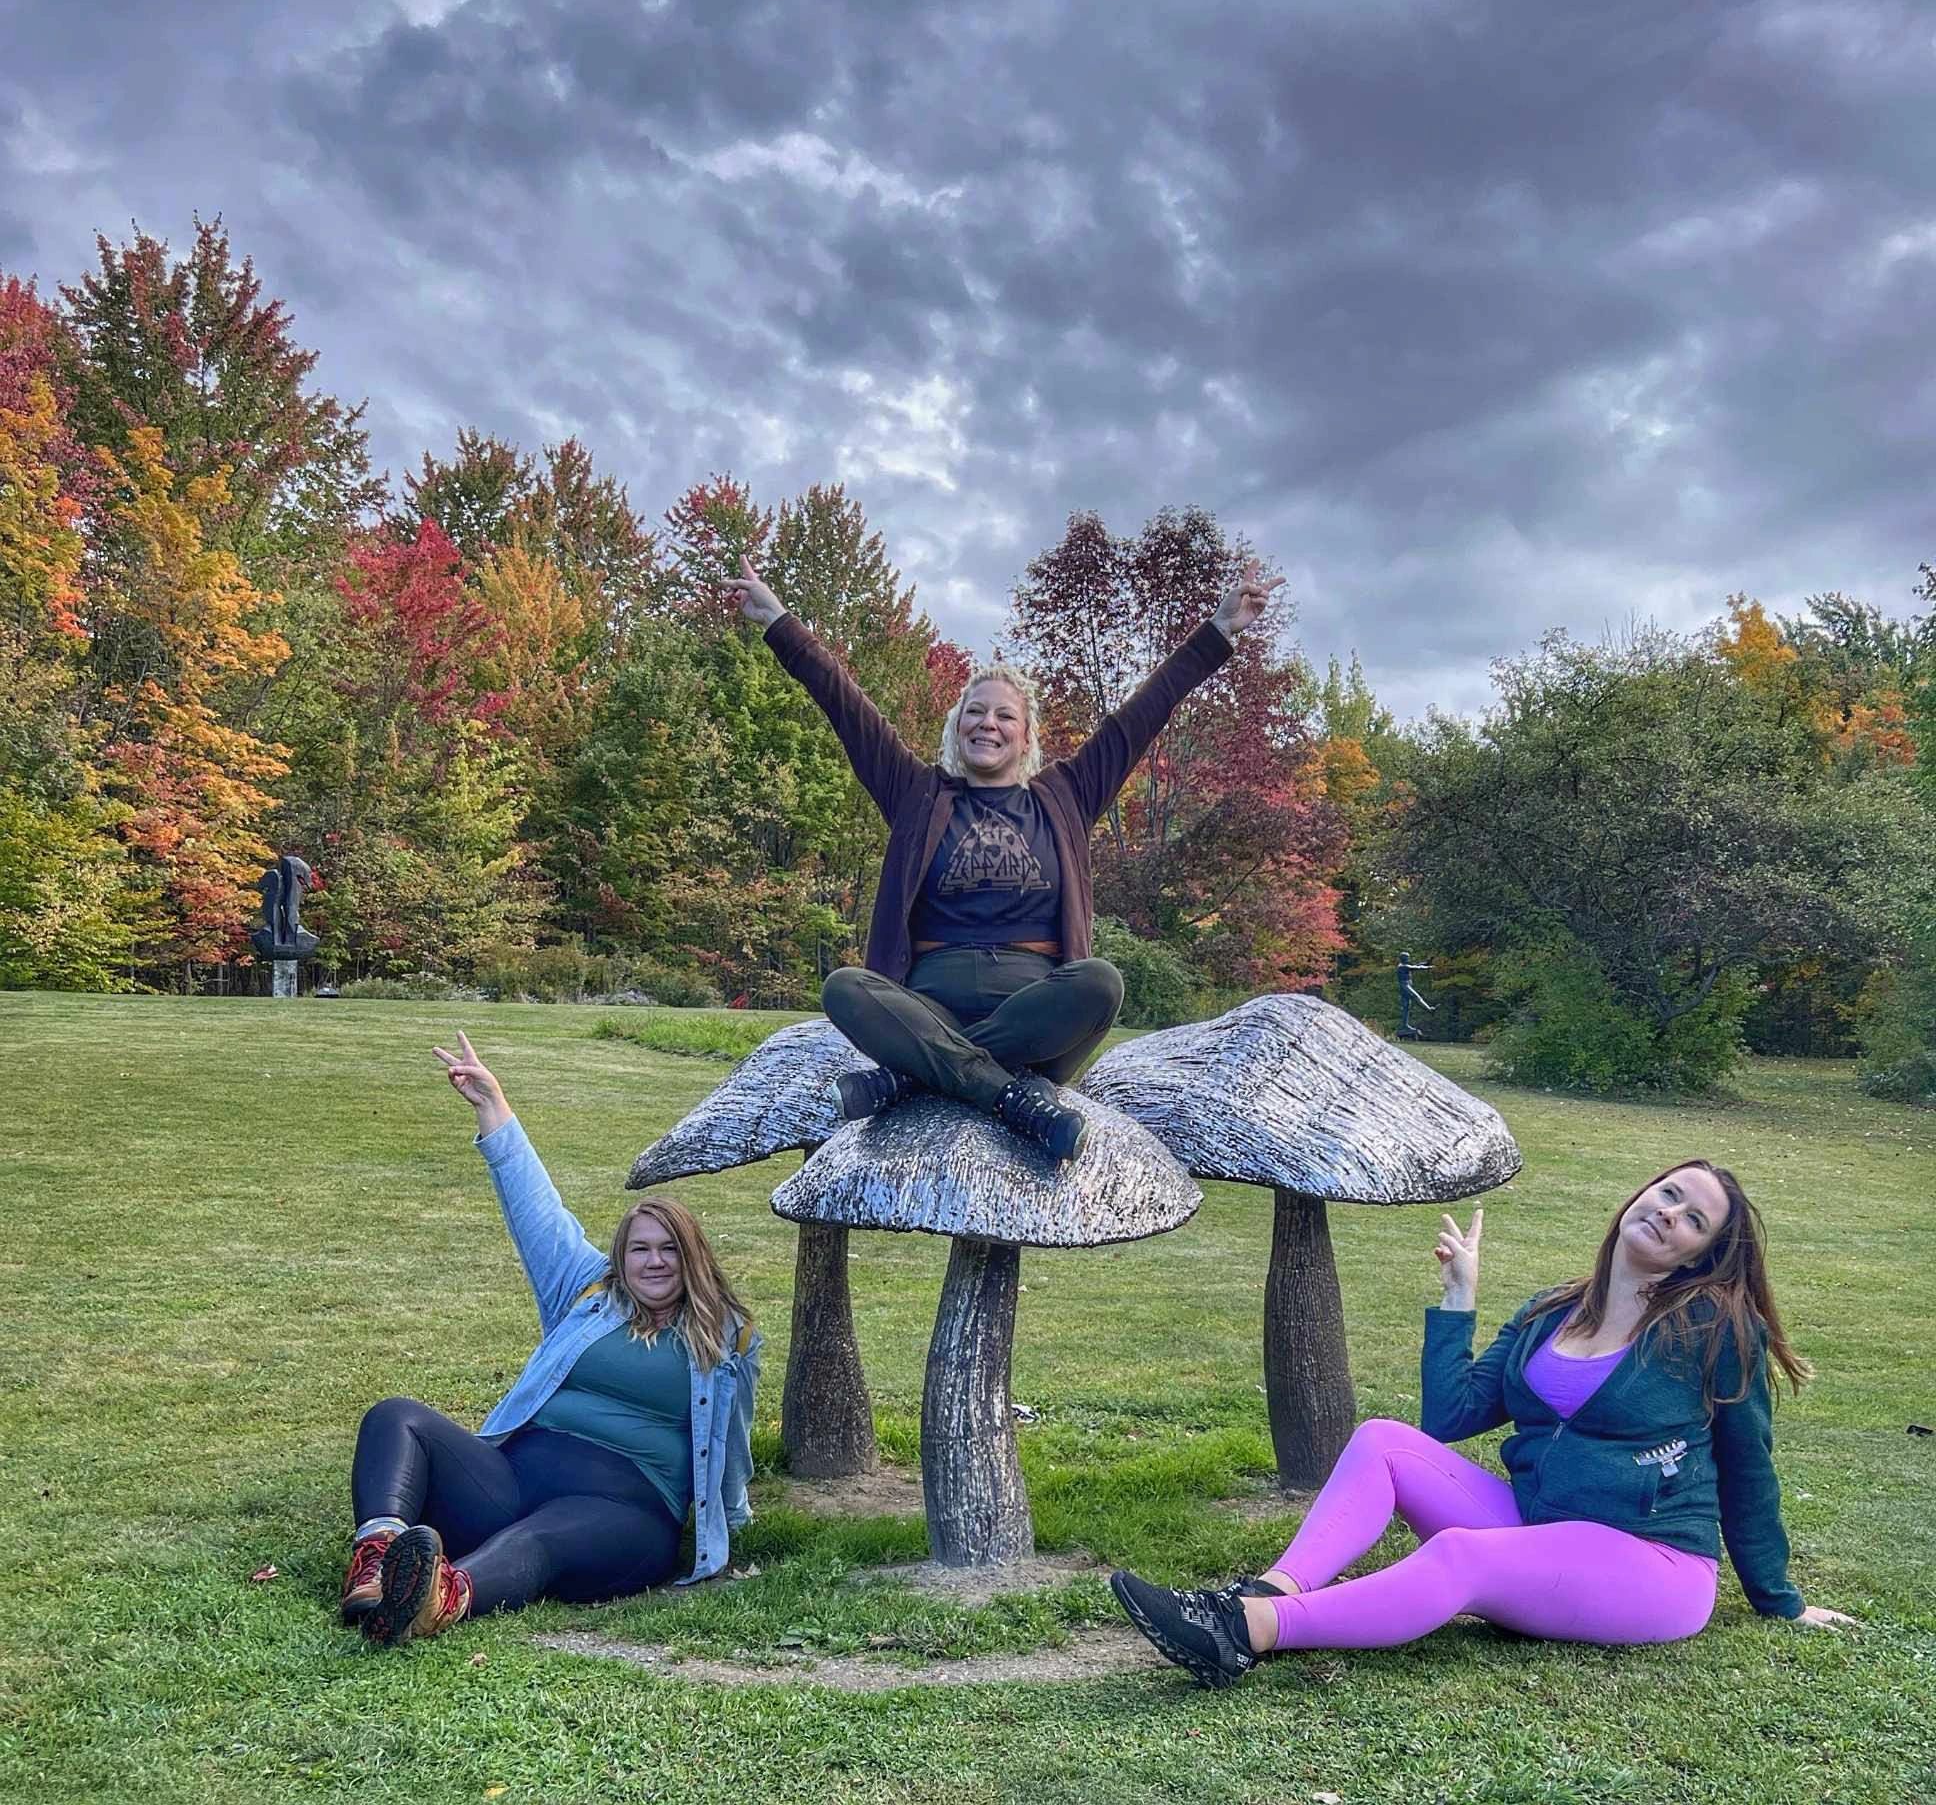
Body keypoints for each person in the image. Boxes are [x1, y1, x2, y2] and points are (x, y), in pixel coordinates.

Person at [1110, 1160, 1857, 1688]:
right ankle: (1270, 1590)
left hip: (1652, 1565)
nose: (1670, 1213)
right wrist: (1459, 1295)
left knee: (1464, 1557)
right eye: (1668, 1194)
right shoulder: (1551, 1312)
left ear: (1704, 1253)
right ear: (1639, 1196)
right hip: (1539, 1524)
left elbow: (1749, 1467)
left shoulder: (1714, 1330)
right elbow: (1450, 1417)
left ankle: (1242, 1633)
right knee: (1383, 1440)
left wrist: (1778, 1598)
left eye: (1694, 1218)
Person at [729, 555, 1273, 1163]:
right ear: (957, 725)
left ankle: (912, 1078)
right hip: (926, 1001)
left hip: (1036, 1006)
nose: (987, 723)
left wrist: (1219, 630)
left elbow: (1144, 713)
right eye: (975, 711)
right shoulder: (918, 793)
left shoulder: (1066, 794)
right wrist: (778, 621)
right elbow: (844, 704)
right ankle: (1012, 1098)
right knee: (845, 988)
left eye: (1003, 715)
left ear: (1025, 734)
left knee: (1101, 982)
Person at [341, 1033, 760, 1646]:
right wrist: (494, 1108)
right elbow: (536, 1208)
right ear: (620, 1257)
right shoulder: (588, 1292)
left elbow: (732, 1437)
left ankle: (437, 1600)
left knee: (537, 1540)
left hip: (625, 1512)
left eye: (670, 1248)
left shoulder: (728, 1338)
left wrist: (735, 1523)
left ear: (693, 1255)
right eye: (639, 1249)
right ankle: (377, 1567)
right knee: (396, 1417)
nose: (655, 1262)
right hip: (511, 1482)